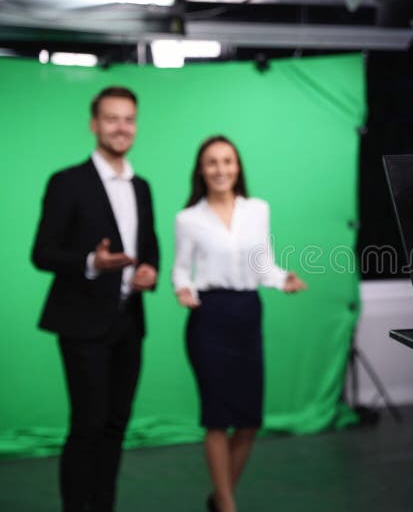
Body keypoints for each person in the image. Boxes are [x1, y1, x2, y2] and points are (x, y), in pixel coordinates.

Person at [31, 86, 160, 512]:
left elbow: (150, 246)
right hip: (82, 323)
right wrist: (92, 261)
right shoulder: (67, 182)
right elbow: (42, 252)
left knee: (115, 427)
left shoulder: (142, 187)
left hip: (128, 323)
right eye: (112, 118)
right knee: (87, 426)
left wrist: (149, 273)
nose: (121, 127)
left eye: (128, 119)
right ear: (94, 124)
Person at [172, 135, 307, 512]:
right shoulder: (188, 219)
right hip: (209, 319)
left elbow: (263, 265)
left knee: (248, 421)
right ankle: (229, 506)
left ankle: (219, 499)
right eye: (212, 162)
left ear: (238, 167)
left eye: (227, 161)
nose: (220, 169)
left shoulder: (257, 210)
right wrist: (182, 290)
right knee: (217, 420)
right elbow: (181, 269)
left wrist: (284, 280)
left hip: (247, 315)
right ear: (201, 170)